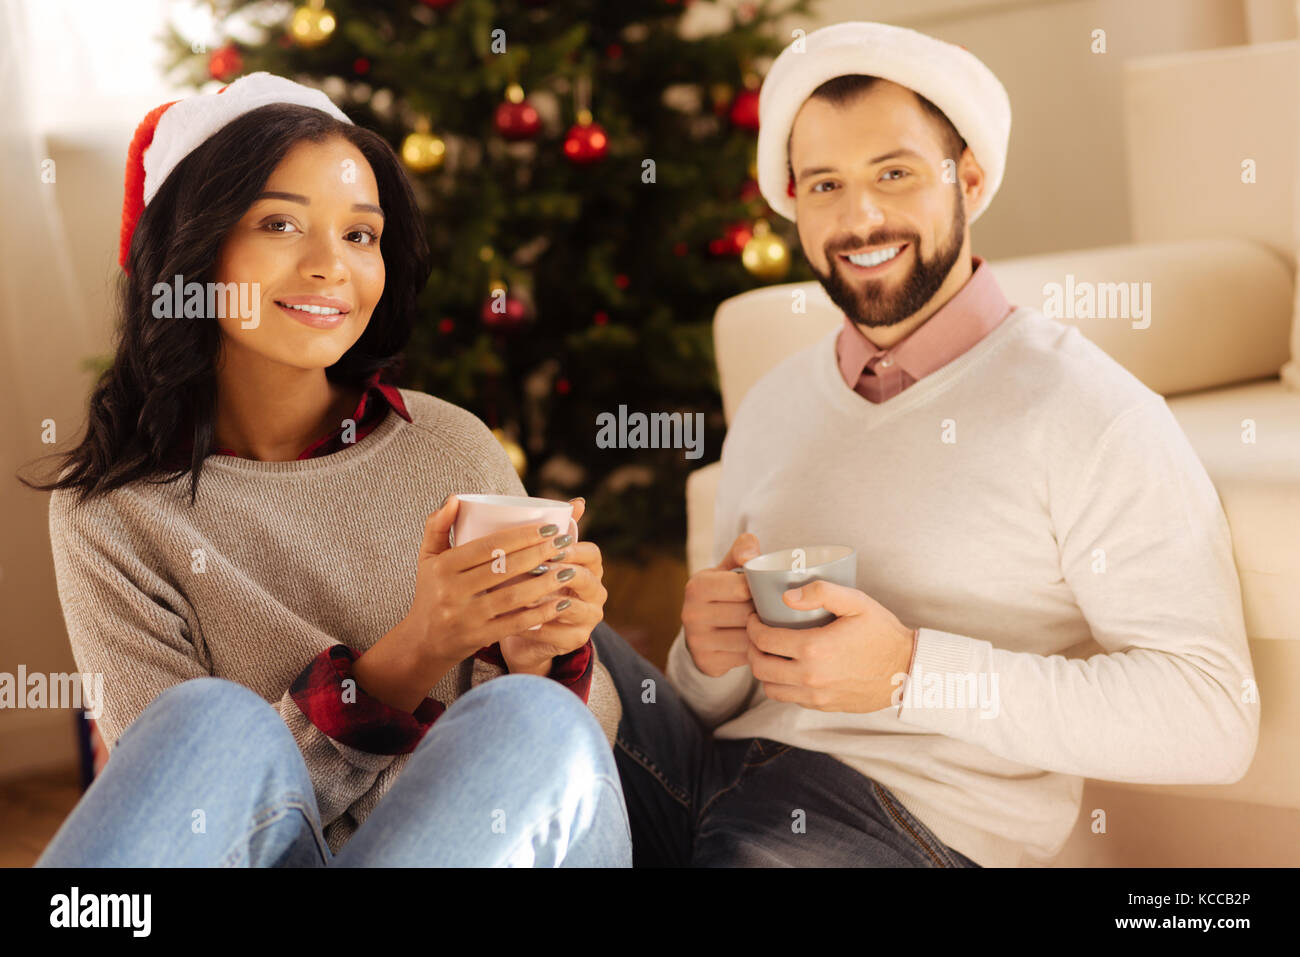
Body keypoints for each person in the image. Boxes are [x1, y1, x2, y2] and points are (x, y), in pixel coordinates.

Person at [591, 20, 1259, 867]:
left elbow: (1212, 715)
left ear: (969, 178)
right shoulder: (775, 403)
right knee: (524, 659)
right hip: (704, 771)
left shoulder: (1086, 409)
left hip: (891, 823)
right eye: (826, 183)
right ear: (794, 201)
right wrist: (708, 658)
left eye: (895, 173)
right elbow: (714, 698)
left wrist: (912, 670)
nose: (859, 216)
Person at [22, 73, 630, 867]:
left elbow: (568, 763)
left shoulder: (451, 446)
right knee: (209, 722)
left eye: (361, 235)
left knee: (535, 717)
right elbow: (187, 810)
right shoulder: (109, 513)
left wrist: (542, 657)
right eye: (281, 223)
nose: (330, 266)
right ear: (194, 248)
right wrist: (412, 653)